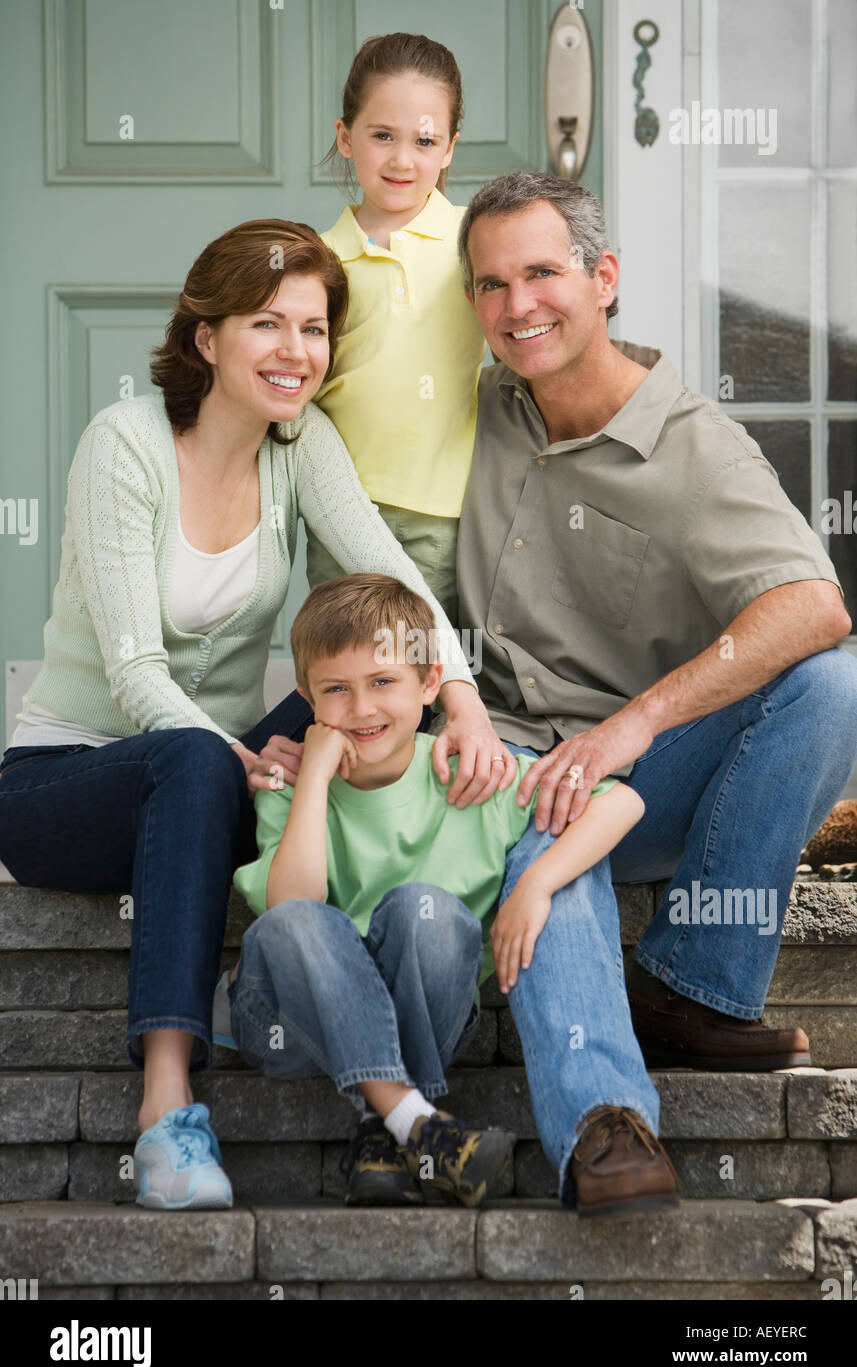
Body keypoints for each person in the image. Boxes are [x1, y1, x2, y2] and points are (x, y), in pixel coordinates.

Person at [0, 218, 512, 1211]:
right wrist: (246, 759)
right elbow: (135, 669)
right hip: (70, 781)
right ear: (206, 340)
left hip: (219, 765)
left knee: (360, 702)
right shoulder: (126, 445)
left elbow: (389, 576)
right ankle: (165, 1114)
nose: (296, 352)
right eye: (266, 324)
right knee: (195, 755)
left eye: (315, 330)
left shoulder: (299, 443)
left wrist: (462, 698)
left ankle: (329, 956)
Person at [451, 169, 857, 1214]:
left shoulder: (691, 447)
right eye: (489, 285)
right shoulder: (483, 408)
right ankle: (604, 1124)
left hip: (649, 772)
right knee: (552, 832)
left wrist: (627, 726)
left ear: (604, 280)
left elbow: (812, 606)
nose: (517, 305)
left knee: (831, 685)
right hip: (504, 762)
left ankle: (691, 978)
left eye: (541, 273)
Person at [214, 573, 664, 1210]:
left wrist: (534, 884)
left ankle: (386, 1130)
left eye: (382, 683)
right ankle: (414, 1123)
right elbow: (294, 904)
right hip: (287, 1017)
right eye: (335, 691)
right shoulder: (288, 786)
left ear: (429, 685)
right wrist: (314, 775)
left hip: (428, 1015)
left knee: (426, 911)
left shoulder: (467, 774)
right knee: (297, 922)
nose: (362, 709)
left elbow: (623, 801)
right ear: (307, 697)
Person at [305, 32, 486, 626]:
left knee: (422, 661)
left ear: (450, 148)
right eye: (383, 135)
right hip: (340, 506)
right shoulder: (317, 257)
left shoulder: (474, 241)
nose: (403, 159)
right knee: (345, 658)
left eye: (425, 140)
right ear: (345, 137)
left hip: (442, 508)